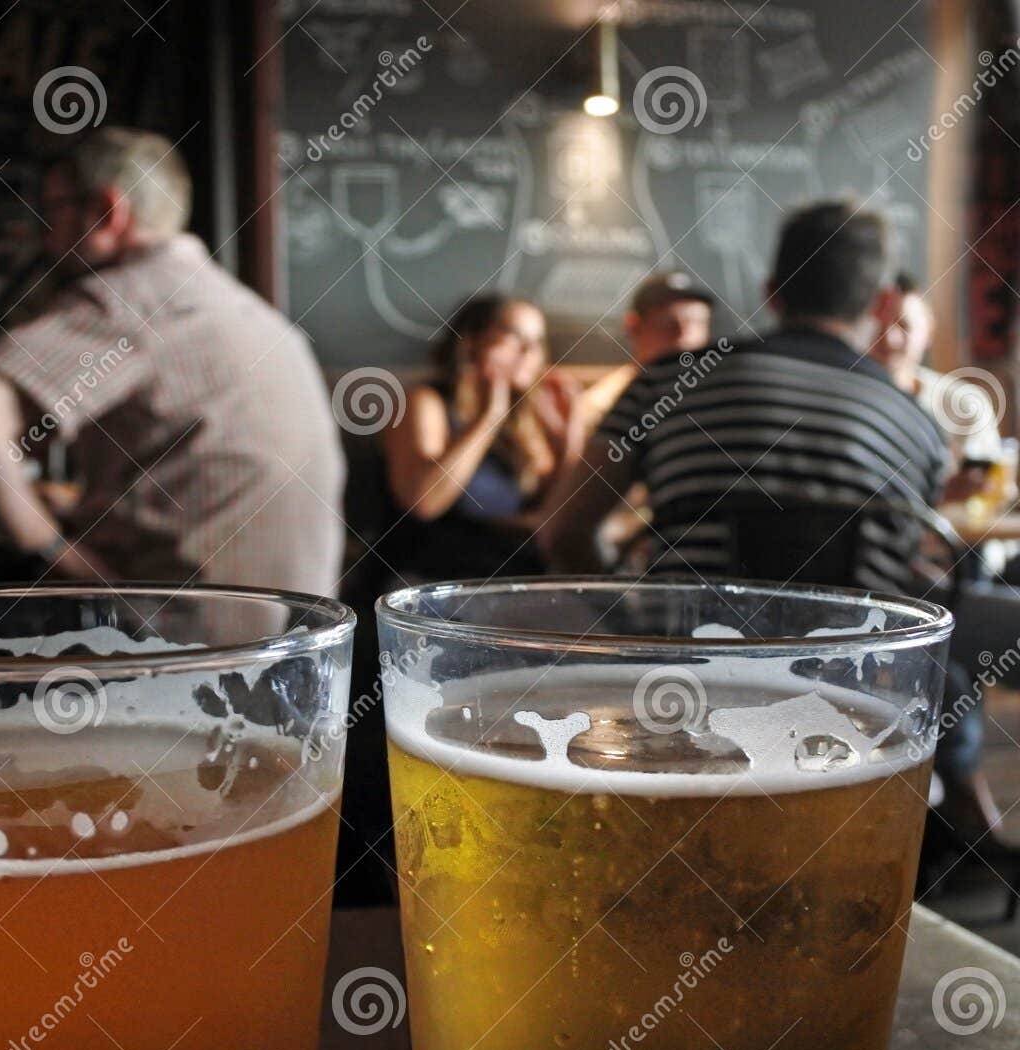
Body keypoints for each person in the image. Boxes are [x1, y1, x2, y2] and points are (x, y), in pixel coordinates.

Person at [540, 201, 1011, 850]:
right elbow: (895, 586)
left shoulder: (668, 383)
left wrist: (635, 614)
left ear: (770, 294)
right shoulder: (916, 428)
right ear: (879, 304)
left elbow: (562, 531)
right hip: (842, 723)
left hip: (674, 701)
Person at [0, 127, 345, 597]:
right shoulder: (255, 314)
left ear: (106, 212)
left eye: (51, 215)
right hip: (302, 641)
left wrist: (50, 550)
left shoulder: (134, 301)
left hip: (178, 641)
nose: (46, 241)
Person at [382, 294, 581, 577]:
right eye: (514, 337)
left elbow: (557, 513)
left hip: (501, 575)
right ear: (471, 343)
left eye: (537, 342)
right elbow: (423, 502)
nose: (529, 351)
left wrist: (568, 438)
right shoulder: (425, 400)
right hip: (427, 579)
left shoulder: (522, 416)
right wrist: (489, 417)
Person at [870, 272, 1002, 503]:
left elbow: (991, 494)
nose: (890, 339)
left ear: (929, 331)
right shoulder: (840, 403)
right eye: (879, 326)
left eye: (904, 326)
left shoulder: (965, 405)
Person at [581, 270, 714, 423]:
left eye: (696, 322)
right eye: (668, 324)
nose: (684, 337)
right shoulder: (603, 407)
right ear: (634, 327)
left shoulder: (723, 396)